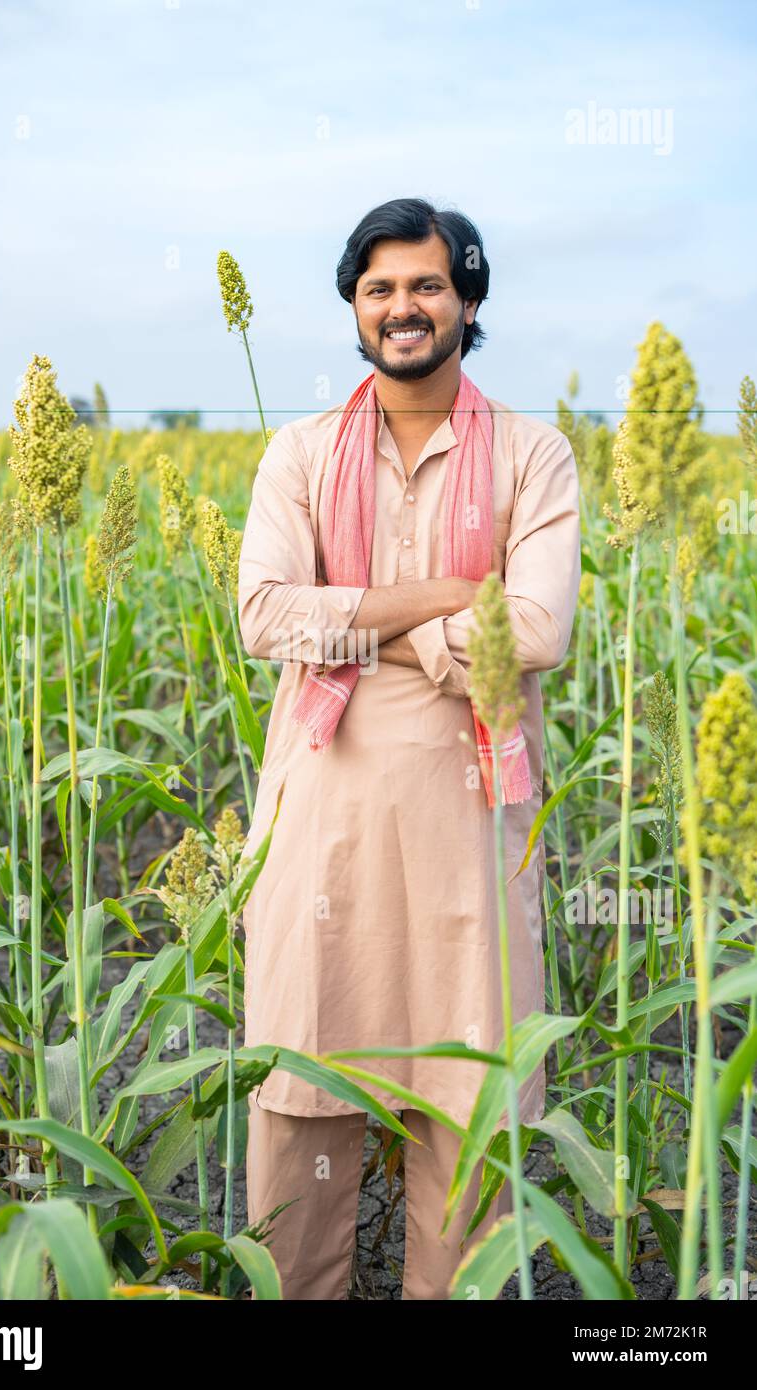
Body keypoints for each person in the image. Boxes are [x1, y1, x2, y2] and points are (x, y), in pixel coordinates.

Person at [237, 196, 581, 1300]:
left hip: (467, 816)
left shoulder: (533, 455)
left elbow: (534, 630)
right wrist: (440, 600)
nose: (402, 307)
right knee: (302, 1089)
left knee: (463, 1098)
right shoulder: (296, 454)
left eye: (426, 285)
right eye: (379, 287)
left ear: (466, 301)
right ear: (353, 303)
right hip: (319, 819)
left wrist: (367, 619)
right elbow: (264, 618)